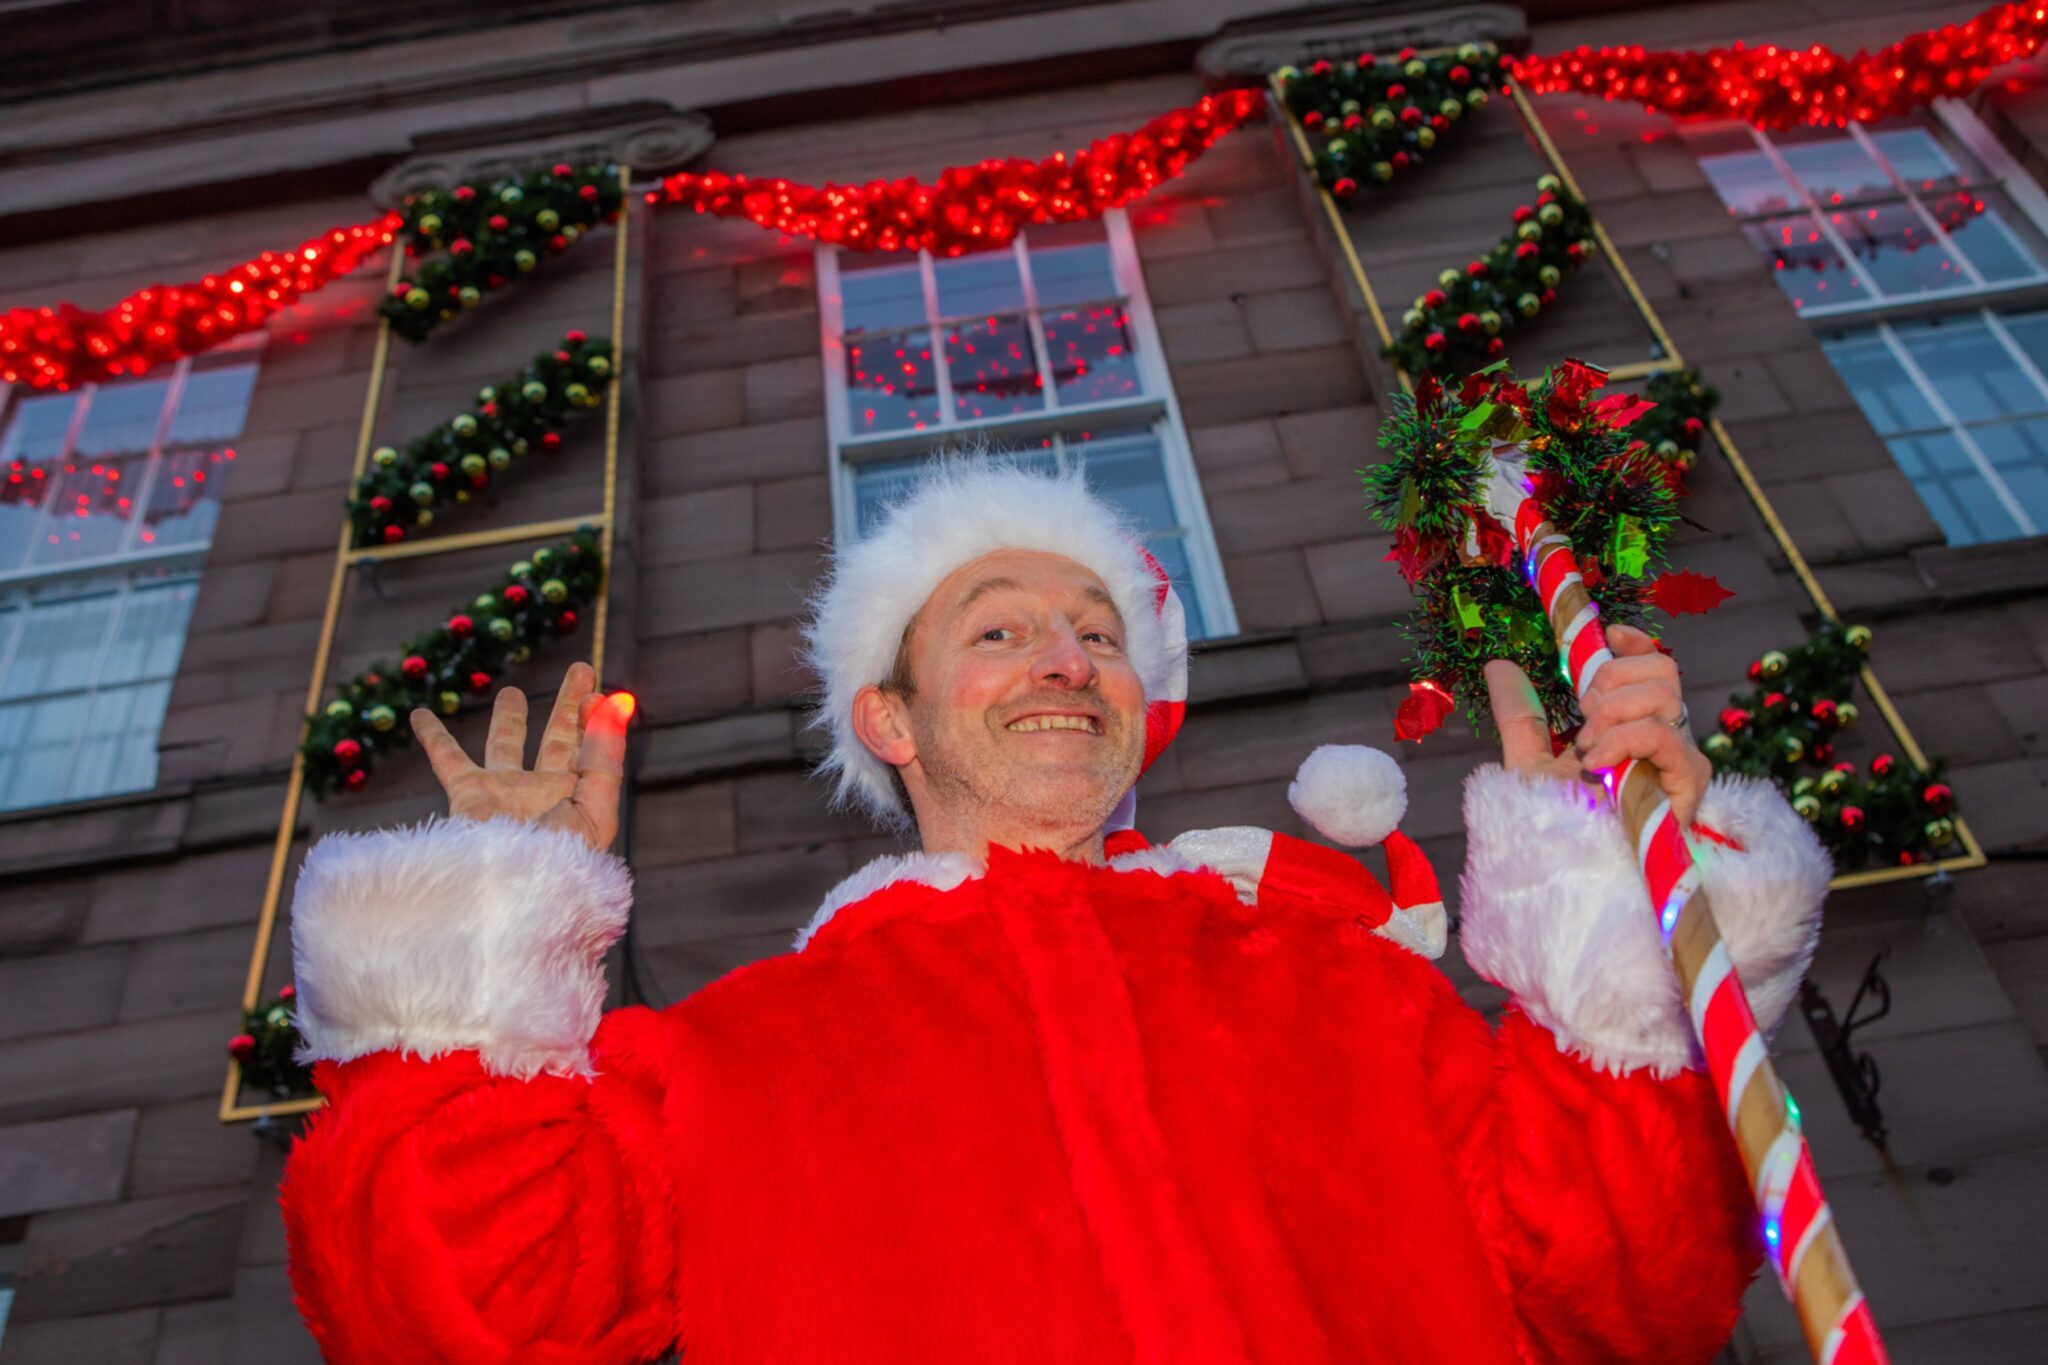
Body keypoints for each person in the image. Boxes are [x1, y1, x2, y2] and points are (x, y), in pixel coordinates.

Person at [279, 461, 1829, 1364]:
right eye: (1001, 628)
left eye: (1098, 631)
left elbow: (1629, 1292)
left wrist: (1623, 926)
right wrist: (478, 959)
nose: (1067, 657)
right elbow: (462, 1316)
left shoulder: (1345, 985)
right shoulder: (729, 1053)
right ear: (890, 718)